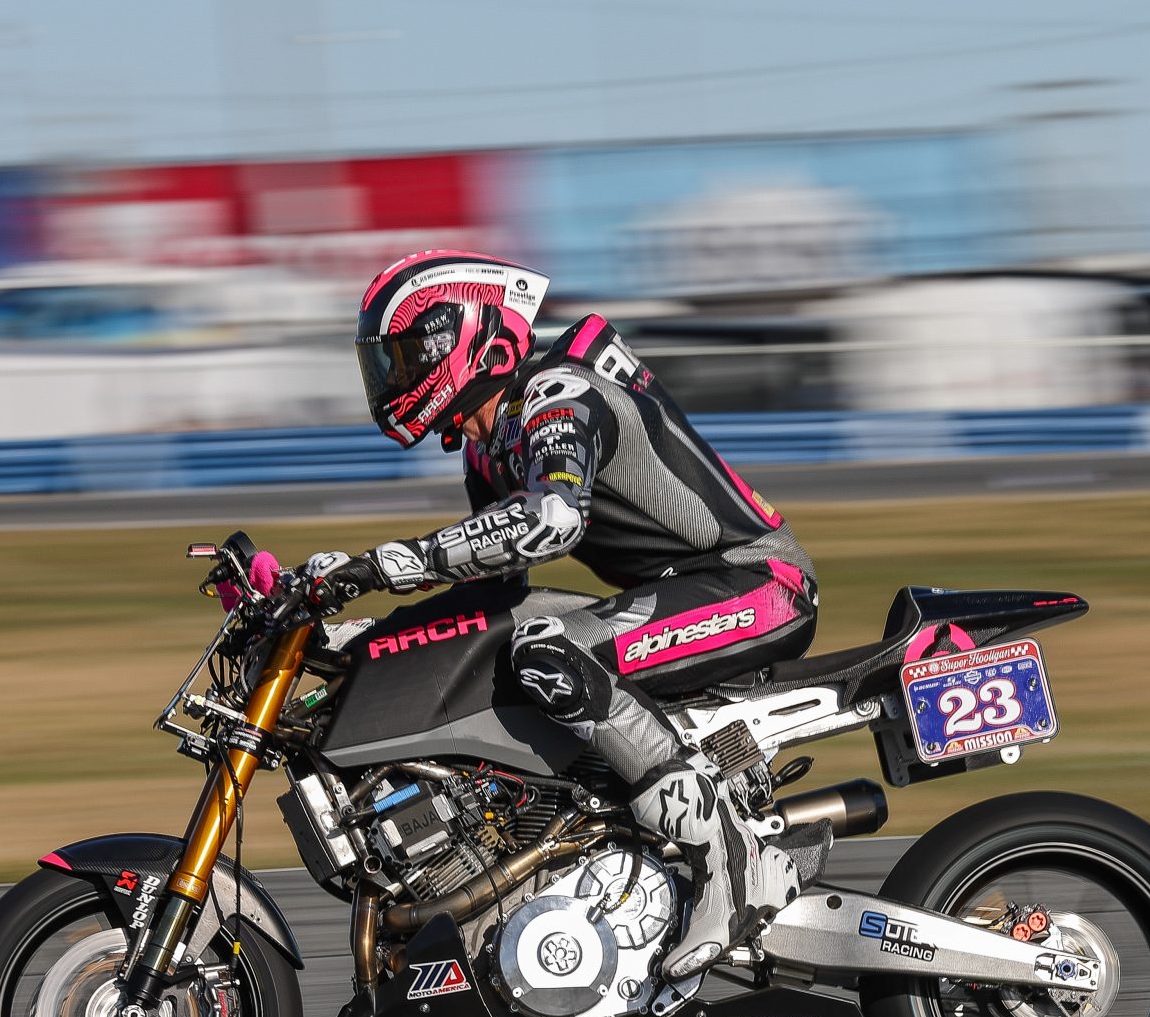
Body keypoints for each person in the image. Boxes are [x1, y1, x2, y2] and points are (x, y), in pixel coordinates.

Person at [275, 250, 818, 978]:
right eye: (385, 362)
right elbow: (492, 591)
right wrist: (361, 639)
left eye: (406, 356)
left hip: (758, 584)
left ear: (468, 337)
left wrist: (384, 564)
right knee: (507, 643)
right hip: (677, 592)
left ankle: (731, 861)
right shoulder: (486, 450)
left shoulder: (558, 395)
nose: (392, 377)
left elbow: (552, 520)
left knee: (545, 651)